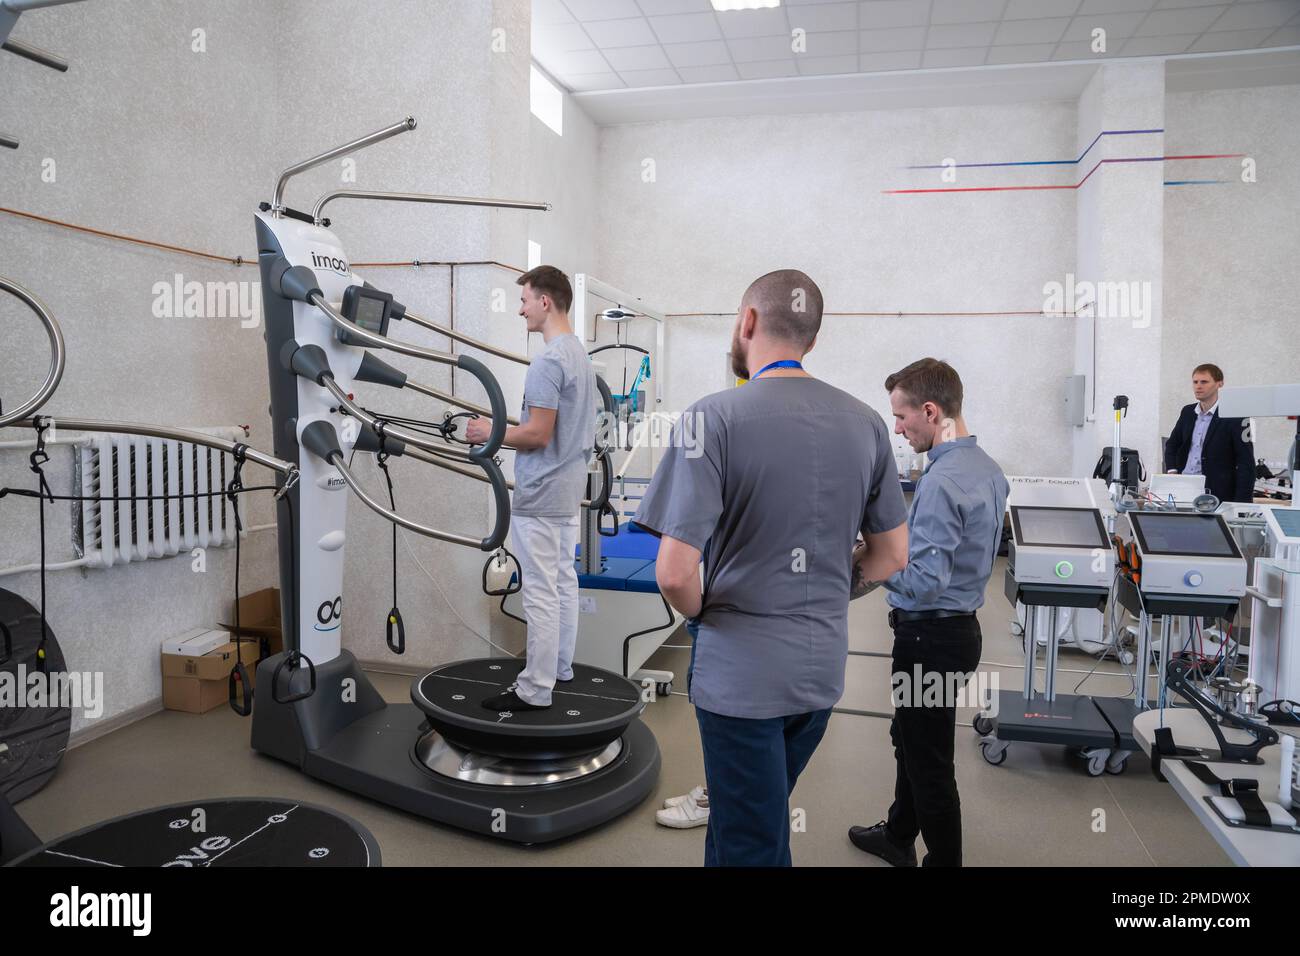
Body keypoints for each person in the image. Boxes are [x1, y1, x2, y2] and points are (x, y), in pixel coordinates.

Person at [634, 269, 908, 866]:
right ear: (811, 338)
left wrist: (709, 611)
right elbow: (891, 555)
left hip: (741, 678)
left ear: (748, 322)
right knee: (751, 816)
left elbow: (675, 573)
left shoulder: (712, 418)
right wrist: (832, 587)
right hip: (818, 674)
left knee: (751, 843)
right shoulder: (866, 424)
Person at [849, 358, 1008, 868]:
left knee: (930, 762)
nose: (897, 428)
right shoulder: (985, 468)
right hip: (960, 633)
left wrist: (870, 559)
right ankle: (898, 835)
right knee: (910, 739)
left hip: (928, 641)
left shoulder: (941, 482)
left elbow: (921, 582)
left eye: (901, 416)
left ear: (931, 411)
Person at [465, 265, 596, 711]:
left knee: (540, 590)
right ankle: (560, 668)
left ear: (545, 301)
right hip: (566, 493)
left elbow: (539, 435)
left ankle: (534, 689)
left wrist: (490, 432)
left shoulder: (548, 360)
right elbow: (553, 428)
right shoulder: (578, 353)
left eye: (524, 300)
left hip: (541, 494)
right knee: (562, 582)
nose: (520, 309)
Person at [1164, 363, 1255, 503]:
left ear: (1220, 384)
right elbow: (1172, 445)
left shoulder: (1237, 415)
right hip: (1184, 488)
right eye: (1195, 382)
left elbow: (1246, 462)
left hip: (1217, 492)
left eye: (1204, 382)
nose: (1198, 386)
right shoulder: (1187, 412)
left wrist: (1242, 503)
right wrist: (1172, 472)